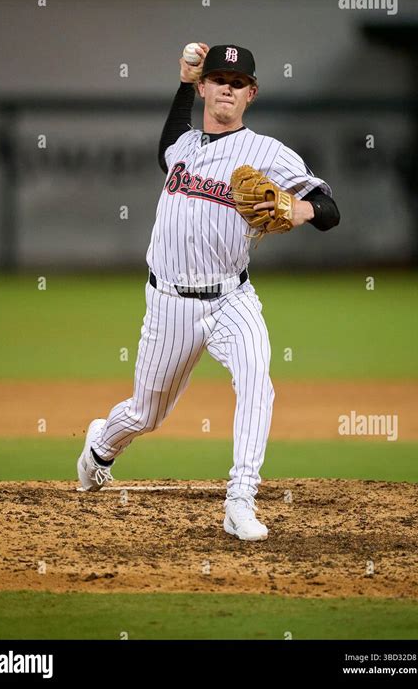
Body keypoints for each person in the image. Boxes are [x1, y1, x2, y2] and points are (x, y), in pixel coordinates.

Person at [77, 43, 340, 541]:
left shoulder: (268, 153)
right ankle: (100, 447)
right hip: (168, 303)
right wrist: (179, 80)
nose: (227, 88)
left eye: (238, 83)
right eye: (218, 79)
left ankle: (240, 499)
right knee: (145, 412)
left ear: (251, 94)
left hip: (230, 299)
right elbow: (166, 148)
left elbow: (329, 209)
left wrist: (296, 210)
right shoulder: (185, 146)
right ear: (203, 88)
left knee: (256, 381)